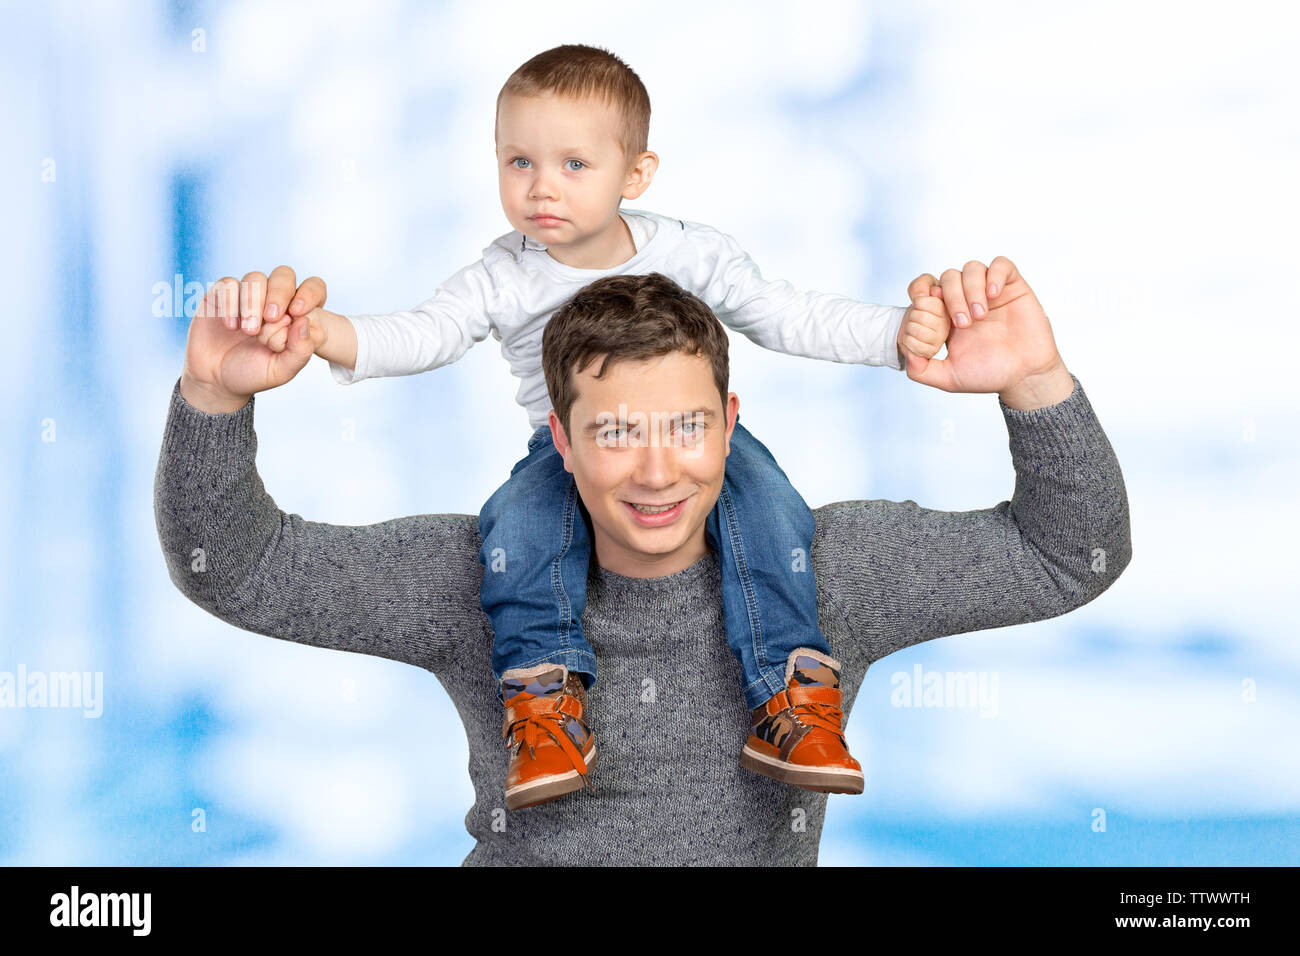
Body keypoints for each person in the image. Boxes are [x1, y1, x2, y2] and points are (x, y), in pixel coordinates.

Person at [157, 256, 1131, 866]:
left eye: (687, 426)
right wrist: (212, 395)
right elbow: (238, 569)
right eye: (618, 430)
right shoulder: (480, 573)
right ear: (562, 443)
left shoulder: (832, 570)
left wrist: (1035, 383)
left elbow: (1066, 556)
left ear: (730, 425)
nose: (658, 467)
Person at [227, 44, 955, 808]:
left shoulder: (690, 252)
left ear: (634, 175)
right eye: (519, 163)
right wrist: (326, 334)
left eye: (574, 165)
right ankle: (546, 710)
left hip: (701, 442)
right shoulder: (501, 275)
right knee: (517, 526)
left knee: (773, 513)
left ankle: (791, 701)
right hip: (567, 448)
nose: (542, 187)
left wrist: (895, 335)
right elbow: (424, 333)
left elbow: (787, 315)